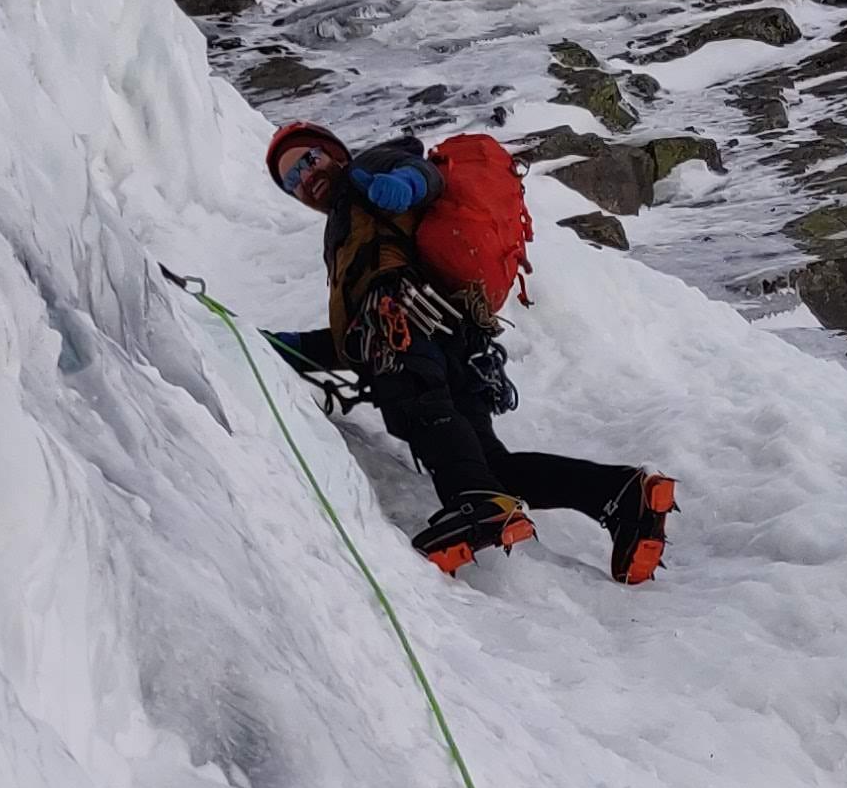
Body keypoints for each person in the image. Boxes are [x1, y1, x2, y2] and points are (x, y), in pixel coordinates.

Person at [264, 117, 677, 581]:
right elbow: (354, 332)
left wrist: (400, 184)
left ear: (335, 152)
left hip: (406, 327)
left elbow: (425, 177)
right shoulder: (351, 218)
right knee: (489, 464)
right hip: (451, 338)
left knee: (424, 413)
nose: (305, 176)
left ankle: (475, 504)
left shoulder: (369, 171)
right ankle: (619, 493)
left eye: (308, 159)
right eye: (292, 179)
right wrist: (290, 347)